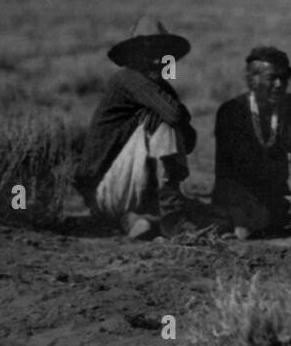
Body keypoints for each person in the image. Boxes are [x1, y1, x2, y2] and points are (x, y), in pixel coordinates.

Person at [73, 15, 198, 239]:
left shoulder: (160, 88)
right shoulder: (128, 79)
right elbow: (175, 115)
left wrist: (171, 113)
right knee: (164, 126)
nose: (155, 58)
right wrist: (170, 114)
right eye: (148, 51)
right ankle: (171, 219)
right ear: (135, 54)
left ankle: (136, 219)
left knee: (164, 124)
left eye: (160, 52)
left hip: (127, 187)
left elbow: (189, 141)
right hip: (105, 186)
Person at [213, 46, 291, 238]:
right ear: (252, 81)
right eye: (272, 78)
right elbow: (226, 177)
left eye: (284, 78)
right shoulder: (232, 112)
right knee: (244, 232)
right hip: (239, 197)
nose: (279, 84)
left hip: (276, 197)